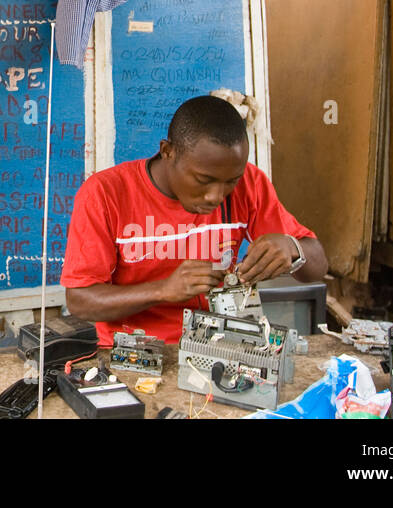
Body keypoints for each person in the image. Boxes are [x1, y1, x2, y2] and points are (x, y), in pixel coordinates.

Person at [61, 95, 328, 344]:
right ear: (167, 152)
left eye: (230, 181)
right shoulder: (106, 193)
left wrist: (293, 249)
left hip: (220, 346)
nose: (216, 196)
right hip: (135, 351)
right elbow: (80, 300)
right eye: (204, 180)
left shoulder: (251, 183)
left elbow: (317, 266)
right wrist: (163, 289)